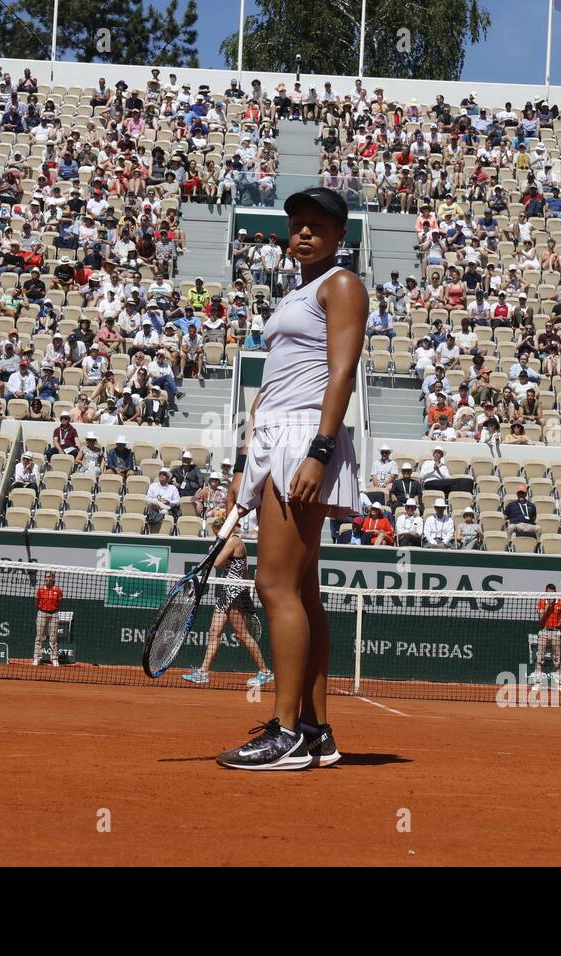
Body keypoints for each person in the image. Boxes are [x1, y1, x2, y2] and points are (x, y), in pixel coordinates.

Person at [220, 187, 364, 770]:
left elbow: (342, 371)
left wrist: (318, 452)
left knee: (274, 587)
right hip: (274, 441)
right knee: (302, 591)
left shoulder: (342, 285)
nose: (303, 234)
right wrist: (242, 462)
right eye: (297, 225)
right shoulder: (297, 292)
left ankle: (286, 733)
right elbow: (271, 385)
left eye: (317, 226)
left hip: (304, 440)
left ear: (338, 237)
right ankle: (315, 729)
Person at [182, 512, 273, 687]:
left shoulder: (234, 541)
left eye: (218, 533)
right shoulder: (231, 543)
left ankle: (265, 672)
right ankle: (203, 673)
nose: (217, 537)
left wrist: (212, 552)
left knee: (241, 634)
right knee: (214, 632)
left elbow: (216, 564)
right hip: (226, 591)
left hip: (233, 592)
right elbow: (245, 571)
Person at [533, 583, 561, 688]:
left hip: (556, 632)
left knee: (557, 659)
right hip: (544, 631)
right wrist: (548, 607)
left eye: (552, 593)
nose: (550, 595)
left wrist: (560, 629)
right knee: (540, 658)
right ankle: (537, 683)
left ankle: (560, 684)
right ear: (546, 592)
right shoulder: (541, 601)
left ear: (555, 593)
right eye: (549, 593)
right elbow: (540, 619)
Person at [33, 571, 63, 667]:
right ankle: (37, 658)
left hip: (54, 615)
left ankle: (54, 659)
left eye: (49, 577)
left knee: (53, 638)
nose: (47, 578)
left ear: (53, 578)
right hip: (42, 613)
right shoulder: (40, 590)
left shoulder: (58, 590)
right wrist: (42, 609)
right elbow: (36, 602)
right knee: (39, 637)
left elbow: (60, 603)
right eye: (46, 577)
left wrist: (53, 611)